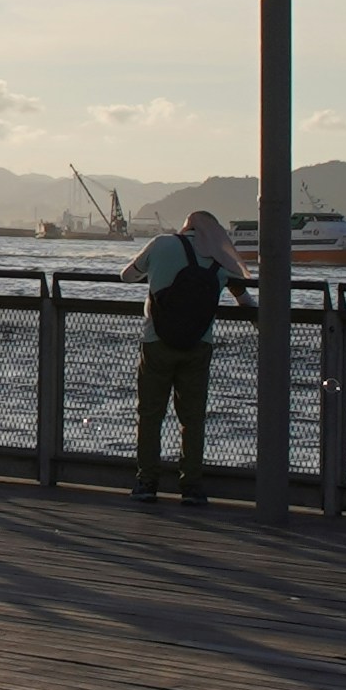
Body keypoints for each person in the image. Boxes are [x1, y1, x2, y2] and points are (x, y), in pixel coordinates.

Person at [129, 213, 238, 504]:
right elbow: (244, 295)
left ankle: (147, 482)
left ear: (186, 226)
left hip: (156, 341)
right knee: (192, 418)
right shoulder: (221, 257)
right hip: (199, 344)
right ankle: (191, 486)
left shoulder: (162, 243)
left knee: (151, 415)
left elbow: (127, 275)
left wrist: (155, 275)